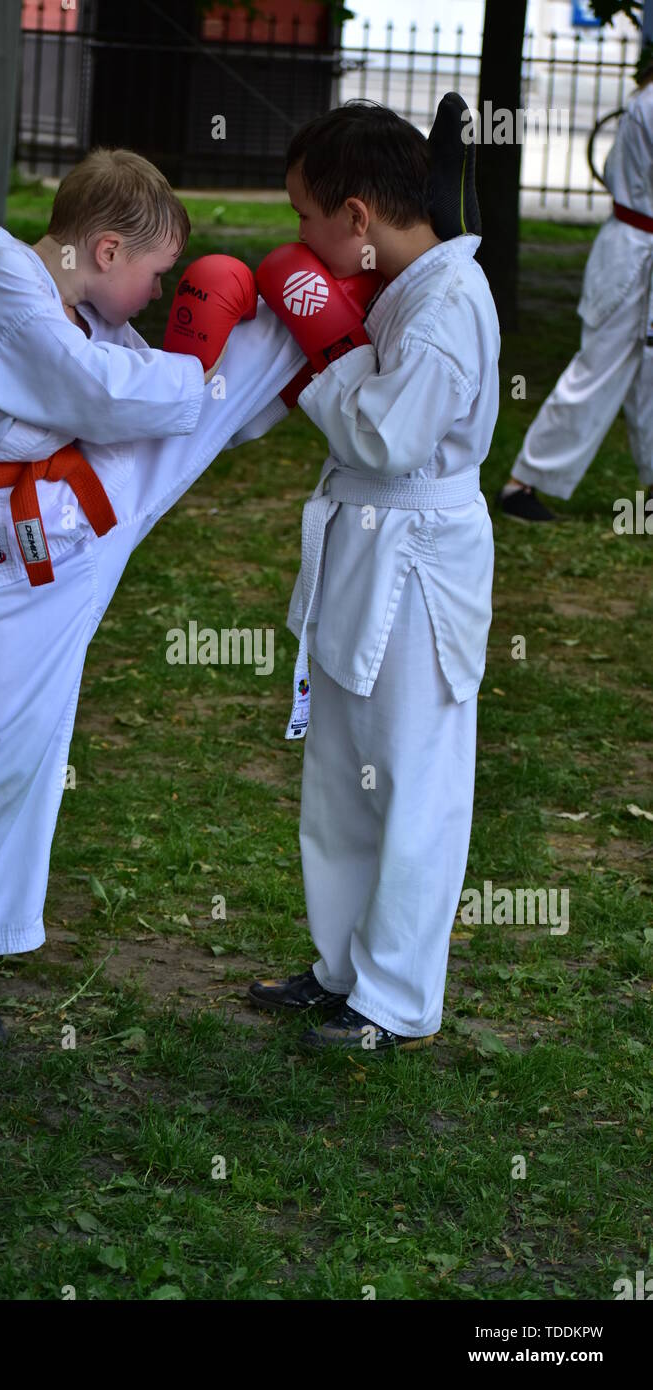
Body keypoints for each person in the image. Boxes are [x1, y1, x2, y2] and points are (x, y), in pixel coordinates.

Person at [0, 147, 306, 1042]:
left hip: (75, 514)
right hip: (8, 558)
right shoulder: (2, 287)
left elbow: (159, 405)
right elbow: (115, 394)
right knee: (4, 749)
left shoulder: (79, 301)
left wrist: (225, 360)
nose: (160, 297)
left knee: (201, 400)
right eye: (159, 275)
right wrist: (199, 356)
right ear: (111, 249)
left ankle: (324, 312)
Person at [248, 96, 501, 1054]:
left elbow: (391, 438)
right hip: (364, 542)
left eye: (307, 217)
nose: (300, 240)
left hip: (420, 557)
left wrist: (329, 352)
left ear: (357, 215)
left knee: (412, 776)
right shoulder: (403, 287)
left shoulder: (445, 305)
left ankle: (395, 1000)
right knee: (342, 772)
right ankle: (341, 969)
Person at [496, 65, 653, 522]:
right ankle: (523, 482)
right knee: (598, 368)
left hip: (631, 251)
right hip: (633, 260)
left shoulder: (643, 103)